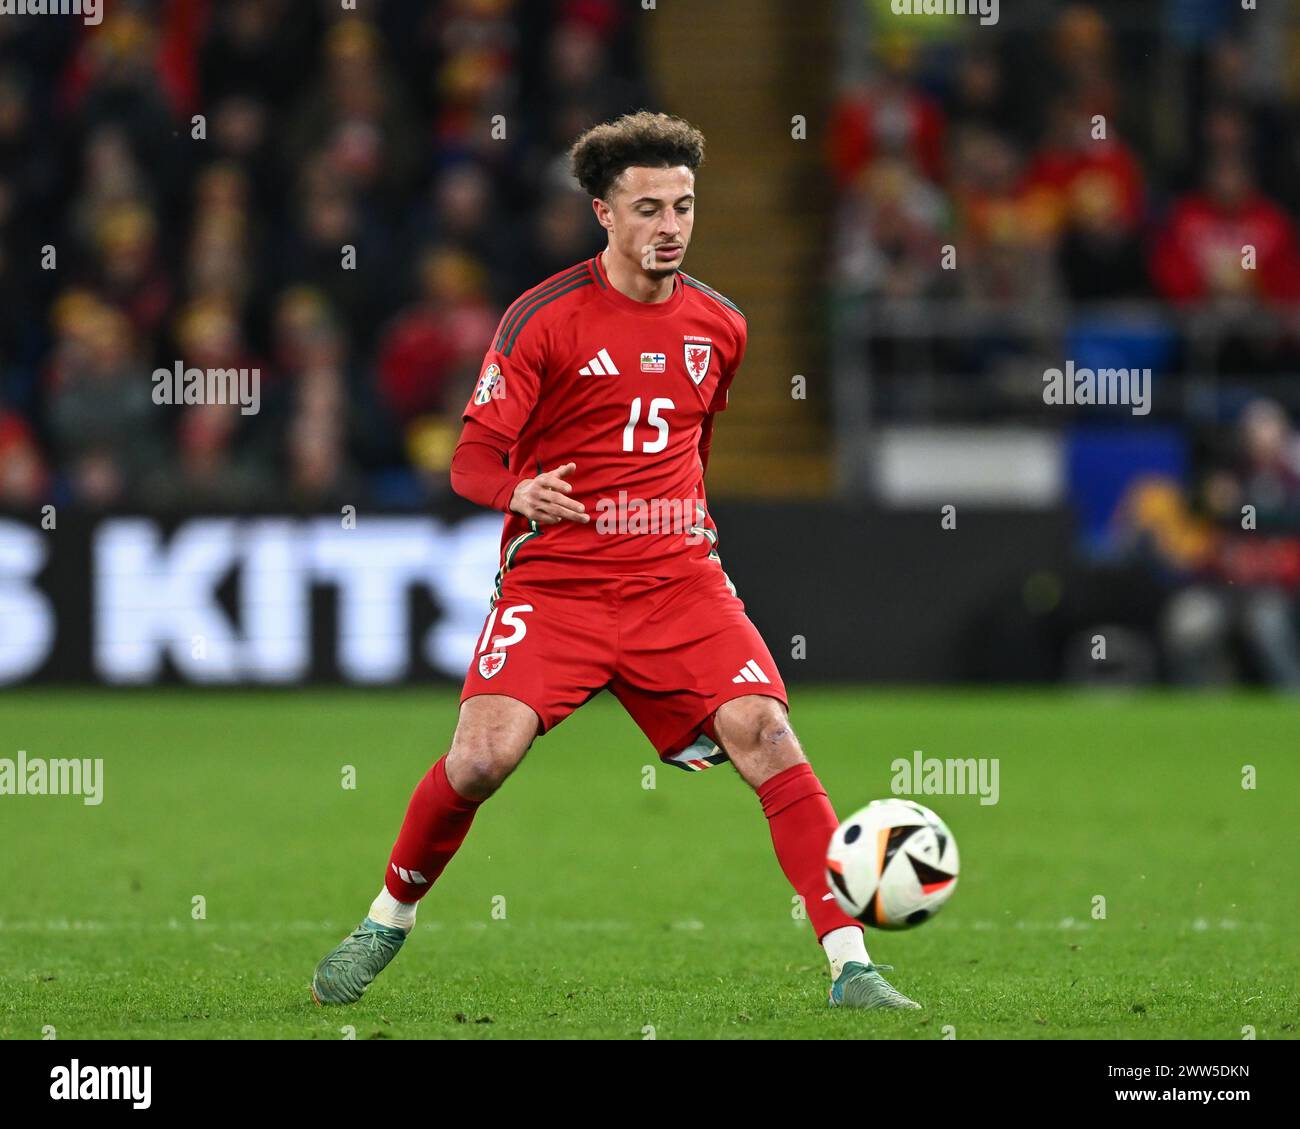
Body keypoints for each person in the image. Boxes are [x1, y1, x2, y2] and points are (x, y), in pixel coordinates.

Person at [312, 111, 918, 1011]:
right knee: (481, 758)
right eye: (648, 209)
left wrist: (687, 541)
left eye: (683, 206)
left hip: (679, 583)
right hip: (558, 586)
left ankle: (852, 965)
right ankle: (387, 918)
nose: (670, 226)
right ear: (603, 213)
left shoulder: (722, 326)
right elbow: (471, 458)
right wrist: (516, 491)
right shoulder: (542, 319)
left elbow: (691, 451)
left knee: (767, 732)